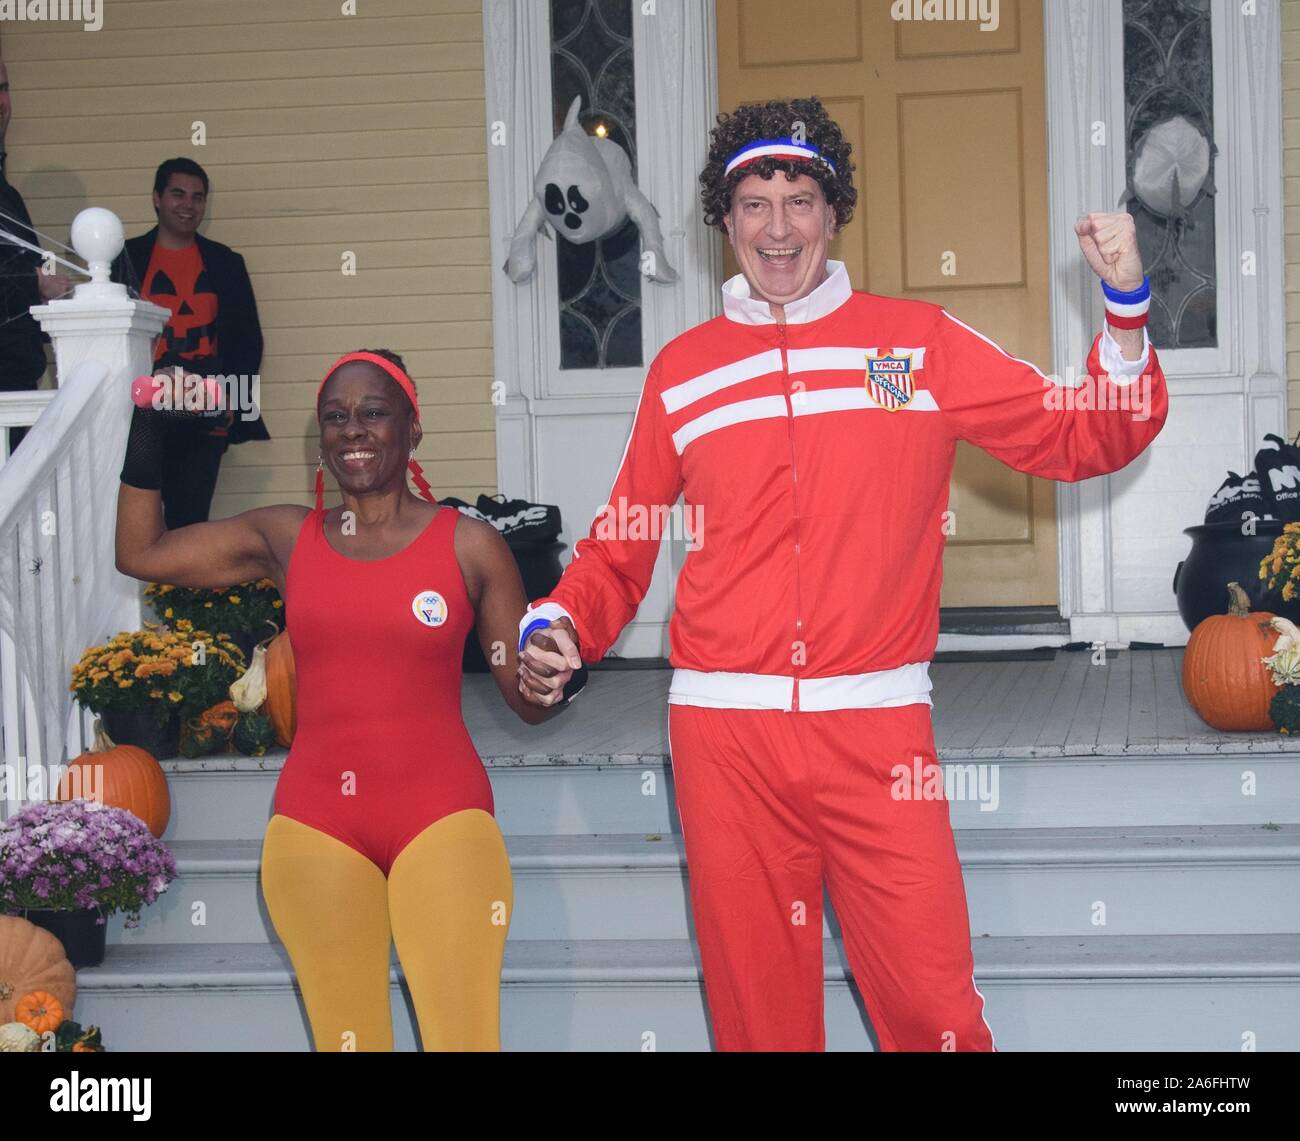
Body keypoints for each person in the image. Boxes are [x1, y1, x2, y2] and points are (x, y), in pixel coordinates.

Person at [516, 96, 1169, 1051]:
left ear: (833, 212)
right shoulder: (683, 371)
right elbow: (622, 542)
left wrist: (1124, 309)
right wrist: (558, 625)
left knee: (936, 1015)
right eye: (752, 203)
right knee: (761, 1025)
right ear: (724, 219)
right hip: (724, 737)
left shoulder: (918, 342)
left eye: (800, 200)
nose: (777, 227)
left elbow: (1084, 430)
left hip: (878, 729)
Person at [116, 348, 585, 1051]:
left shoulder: (471, 545)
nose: (352, 430)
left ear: (412, 428)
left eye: (373, 413)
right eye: (335, 417)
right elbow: (140, 552)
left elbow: (525, 698)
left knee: (465, 1039)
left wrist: (556, 678)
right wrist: (148, 422)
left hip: (443, 817)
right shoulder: (285, 539)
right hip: (315, 828)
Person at [111, 157, 269, 528]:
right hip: (144, 405)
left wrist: (235, 396)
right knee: (135, 517)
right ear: (156, 198)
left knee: (190, 523)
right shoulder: (127, 258)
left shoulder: (225, 262)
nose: (188, 204)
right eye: (177, 194)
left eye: (198, 197)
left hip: (206, 403)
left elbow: (249, 340)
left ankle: (183, 589)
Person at [0, 58, 73, 455]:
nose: (1, 101)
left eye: (4, 88)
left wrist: (52, 300)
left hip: (17, 387)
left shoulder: (9, 196)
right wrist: (35, 283)